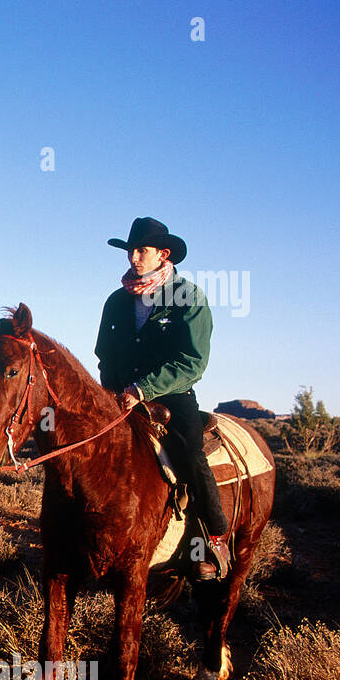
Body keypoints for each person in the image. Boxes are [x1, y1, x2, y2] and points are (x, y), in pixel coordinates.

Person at [94, 216, 231, 579]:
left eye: (142, 251)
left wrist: (143, 390)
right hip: (119, 395)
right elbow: (104, 354)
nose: (134, 258)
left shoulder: (189, 297)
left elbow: (193, 361)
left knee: (189, 450)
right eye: (130, 251)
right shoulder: (116, 301)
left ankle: (213, 539)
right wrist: (112, 391)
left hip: (170, 394)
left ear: (163, 254)